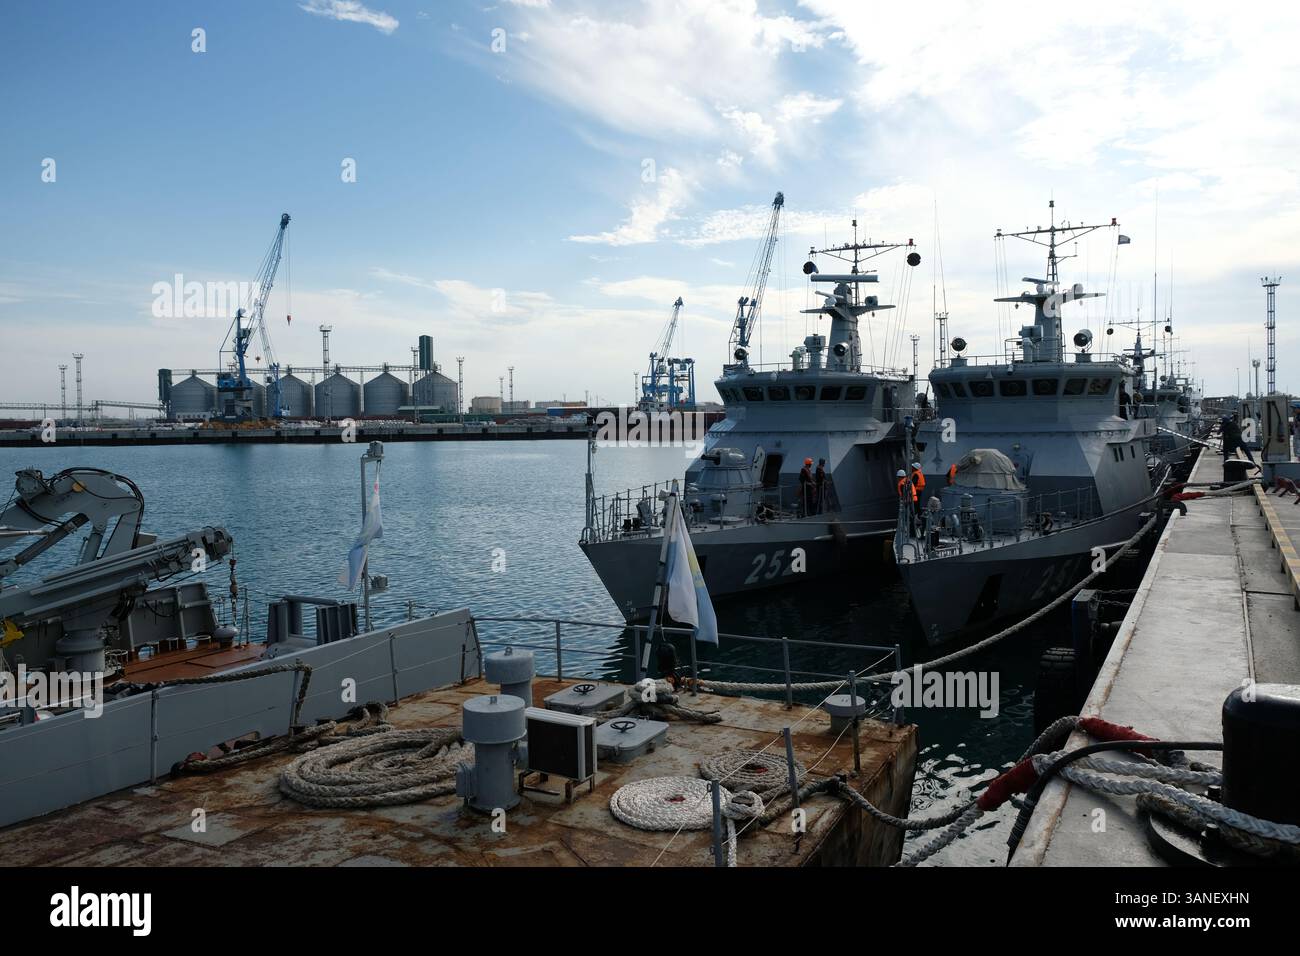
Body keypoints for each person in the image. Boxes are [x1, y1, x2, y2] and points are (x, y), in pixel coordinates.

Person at [896, 468, 917, 534]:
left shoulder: (902, 483)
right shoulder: (907, 481)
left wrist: (905, 503)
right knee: (911, 517)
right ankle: (912, 531)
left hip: (910, 501)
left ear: (899, 477)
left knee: (909, 516)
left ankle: (912, 532)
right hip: (913, 499)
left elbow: (906, 494)